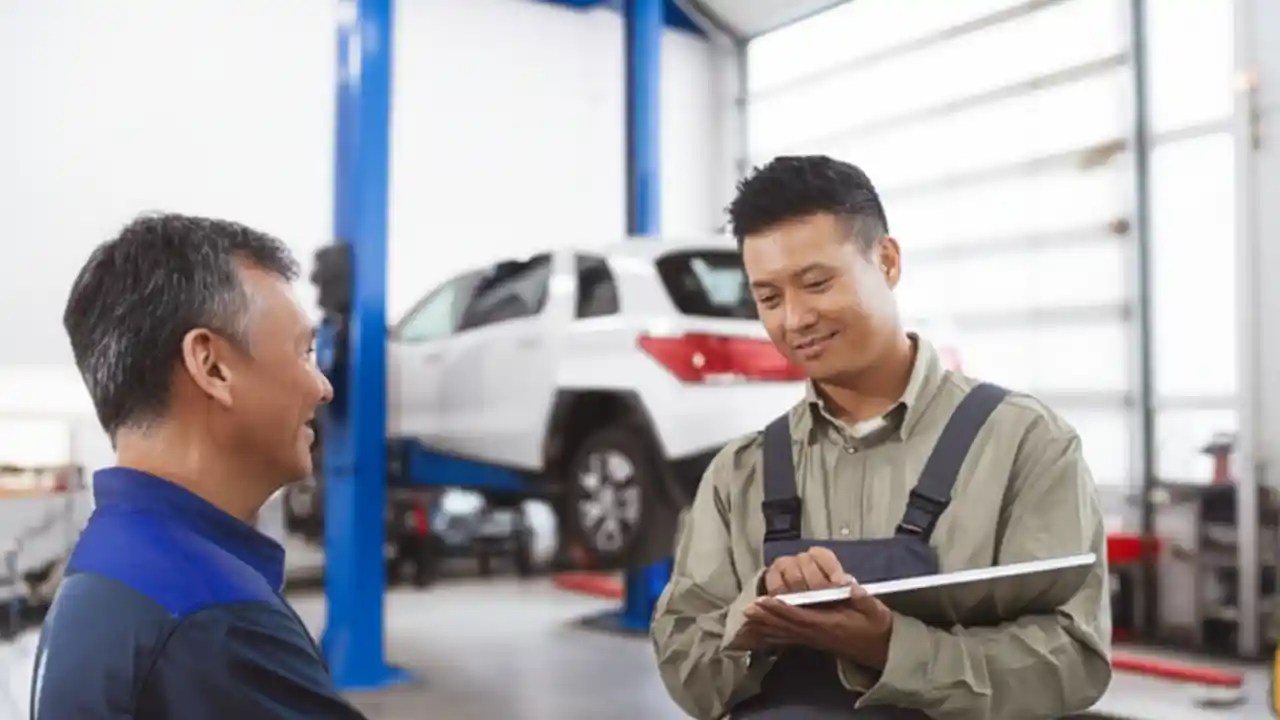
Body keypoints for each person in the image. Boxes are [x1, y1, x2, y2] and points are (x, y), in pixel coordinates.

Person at [650, 155, 1113, 719]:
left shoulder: (1025, 444)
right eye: (769, 298)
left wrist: (892, 649)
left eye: (816, 284)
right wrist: (759, 609)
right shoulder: (738, 475)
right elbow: (686, 670)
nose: (794, 319)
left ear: (887, 261)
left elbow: (1074, 659)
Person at [30, 213, 366, 718]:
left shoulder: (110, 564)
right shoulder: (216, 619)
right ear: (211, 366)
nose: (323, 387)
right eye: (304, 351)